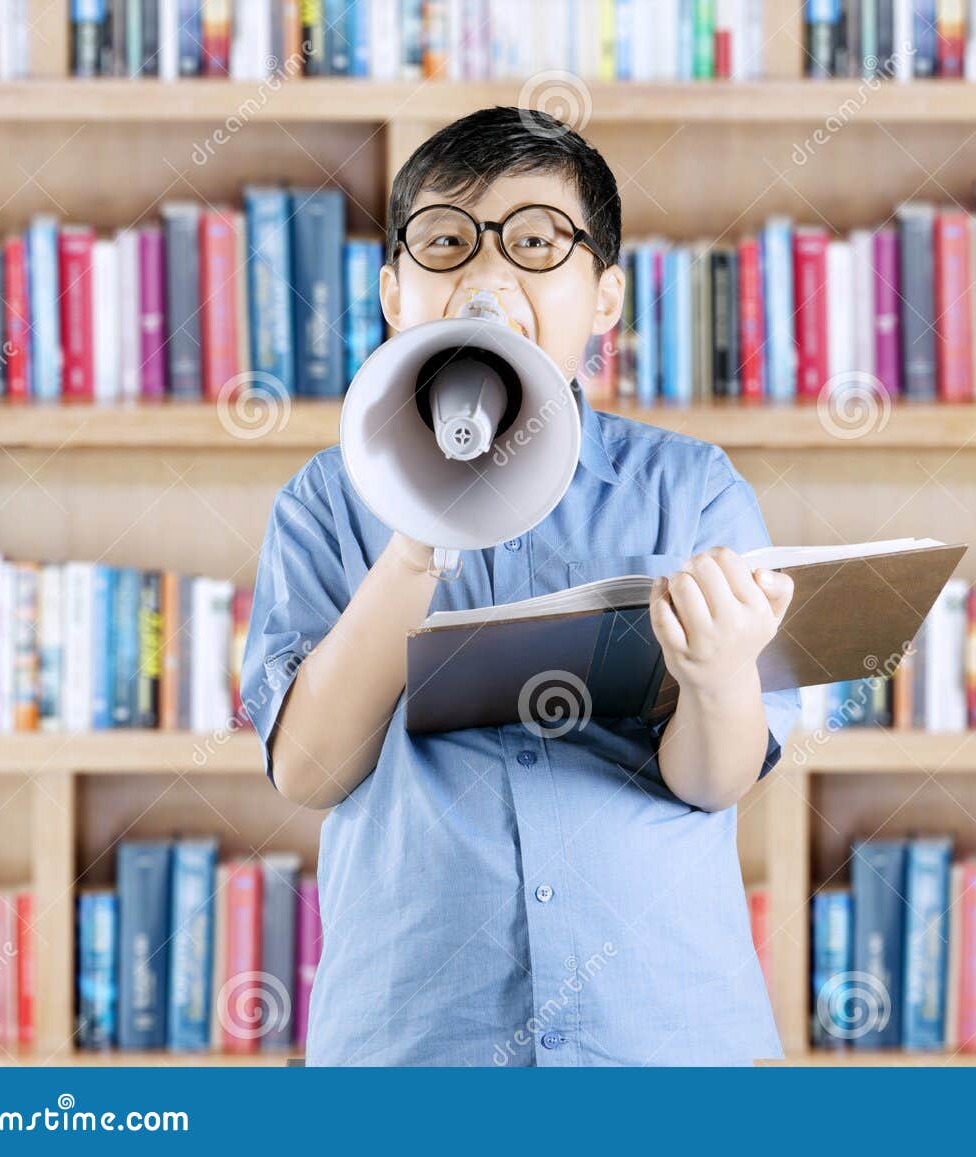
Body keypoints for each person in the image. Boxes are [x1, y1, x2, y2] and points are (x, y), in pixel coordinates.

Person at [240, 106, 800, 1066]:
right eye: (446, 242)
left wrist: (716, 675)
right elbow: (310, 771)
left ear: (607, 296)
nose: (488, 277)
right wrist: (417, 535)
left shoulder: (690, 489)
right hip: (416, 1041)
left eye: (536, 242)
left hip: (660, 1034)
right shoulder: (327, 501)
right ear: (393, 291)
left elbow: (713, 780)